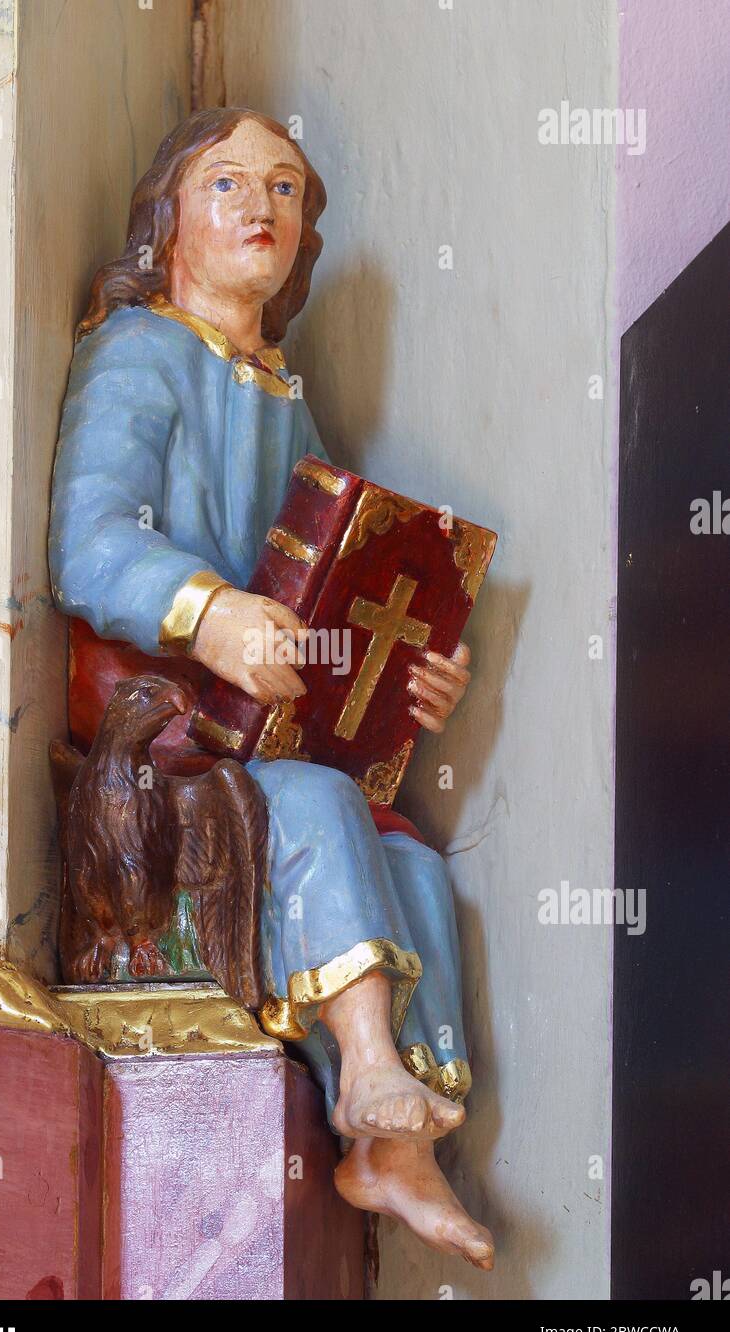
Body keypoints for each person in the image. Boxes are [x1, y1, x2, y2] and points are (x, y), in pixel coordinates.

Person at [49, 107, 493, 1268]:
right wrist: (206, 611)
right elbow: (89, 547)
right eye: (228, 184)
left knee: (412, 863)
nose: (262, 208)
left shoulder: (284, 396)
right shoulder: (138, 351)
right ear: (168, 222)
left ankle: (389, 1152)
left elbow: (319, 588)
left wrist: (400, 674)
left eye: (287, 190)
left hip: (260, 721)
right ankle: (369, 1075)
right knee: (314, 808)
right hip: (159, 722)